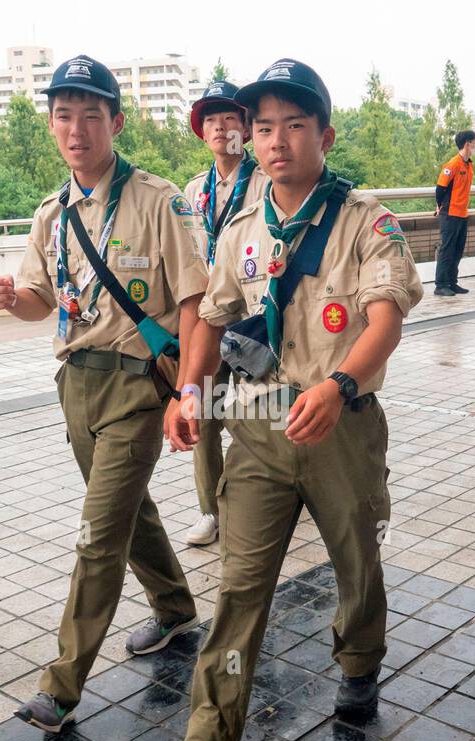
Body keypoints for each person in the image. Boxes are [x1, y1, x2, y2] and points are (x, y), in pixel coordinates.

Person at [147, 59, 423, 741]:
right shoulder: (240, 228)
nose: (274, 141)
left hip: (341, 426)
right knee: (240, 583)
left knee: (355, 560)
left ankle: (359, 663)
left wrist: (337, 384)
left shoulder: (366, 220)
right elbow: (211, 318)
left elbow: (386, 322)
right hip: (261, 429)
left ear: (323, 134)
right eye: (262, 127)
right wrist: (189, 393)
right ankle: (211, 733)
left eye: (293, 126)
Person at [0, 55, 208, 732]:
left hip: (140, 384)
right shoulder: (51, 213)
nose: (75, 128)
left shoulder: (158, 199)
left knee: (97, 533)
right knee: (126, 508)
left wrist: (187, 392)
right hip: (76, 384)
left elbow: (196, 303)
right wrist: (10, 298)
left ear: (115, 120)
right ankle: (174, 608)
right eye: (62, 114)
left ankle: (62, 683)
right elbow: (41, 301)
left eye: (89, 114)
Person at [181, 81, 271, 548]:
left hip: (256, 314)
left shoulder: (266, 182)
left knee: (263, 409)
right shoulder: (194, 191)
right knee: (207, 411)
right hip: (210, 316)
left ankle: (280, 496)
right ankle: (210, 510)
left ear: (247, 129)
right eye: (212, 119)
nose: (222, 127)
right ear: (202, 132)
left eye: (232, 118)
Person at [434, 129, 475, 297]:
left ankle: (452, 282)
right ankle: (441, 284)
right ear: (468, 143)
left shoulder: (469, 164)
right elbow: (440, 188)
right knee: (447, 249)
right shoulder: (452, 164)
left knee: (458, 250)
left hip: (462, 213)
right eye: (474, 142)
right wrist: (440, 207)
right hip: (450, 214)